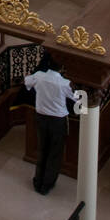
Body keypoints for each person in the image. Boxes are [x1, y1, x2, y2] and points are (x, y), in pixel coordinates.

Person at [24, 51, 78, 195]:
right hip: (57, 121)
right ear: (62, 69)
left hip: (41, 117)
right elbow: (78, 99)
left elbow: (27, 82)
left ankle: (38, 180)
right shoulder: (64, 83)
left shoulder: (40, 76)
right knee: (54, 153)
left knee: (42, 149)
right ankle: (47, 184)